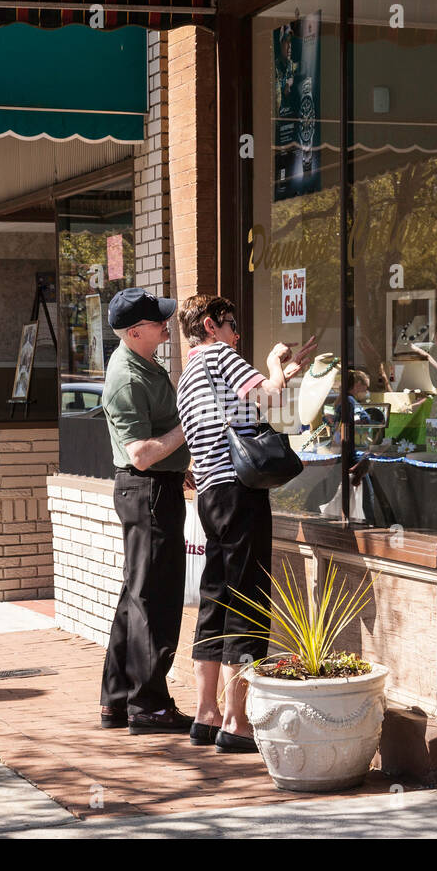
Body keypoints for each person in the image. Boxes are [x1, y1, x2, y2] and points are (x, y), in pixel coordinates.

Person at [175, 294, 316, 753]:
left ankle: (205, 713)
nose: (238, 333)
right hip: (239, 492)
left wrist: (281, 378)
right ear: (212, 325)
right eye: (233, 324)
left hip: (210, 493)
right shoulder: (220, 354)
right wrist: (276, 364)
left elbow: (245, 413)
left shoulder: (187, 374)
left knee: (215, 595)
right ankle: (237, 721)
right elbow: (270, 397)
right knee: (249, 596)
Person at [99, 287, 194, 735]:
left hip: (158, 486)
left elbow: (157, 443)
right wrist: (187, 428)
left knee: (135, 597)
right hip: (147, 491)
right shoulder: (127, 378)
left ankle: (118, 701)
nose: (166, 325)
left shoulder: (146, 363)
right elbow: (140, 453)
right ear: (135, 332)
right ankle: (149, 705)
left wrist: (179, 465)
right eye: (158, 322)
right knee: (153, 598)